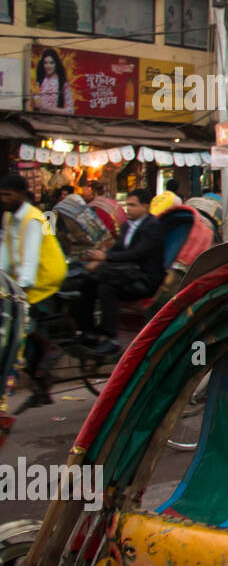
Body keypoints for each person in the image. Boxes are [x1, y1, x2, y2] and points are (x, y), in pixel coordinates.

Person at [68, 189, 164, 357]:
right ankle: (87, 330)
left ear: (145, 206)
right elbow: (117, 248)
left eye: (133, 205)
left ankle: (110, 338)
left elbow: (138, 253)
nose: (128, 209)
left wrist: (106, 256)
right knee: (87, 281)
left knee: (107, 288)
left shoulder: (153, 226)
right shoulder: (127, 226)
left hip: (144, 278)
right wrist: (99, 260)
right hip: (124, 274)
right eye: (127, 205)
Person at [0, 175, 68, 408]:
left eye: (8, 194)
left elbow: (29, 260)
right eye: (2, 194)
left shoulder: (33, 219)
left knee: (25, 327)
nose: (4, 199)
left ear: (21, 194)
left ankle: (44, 366)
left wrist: (19, 291)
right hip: (24, 280)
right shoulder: (10, 217)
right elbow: (6, 255)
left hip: (44, 278)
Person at [31, 48, 74, 113]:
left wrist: (49, 109)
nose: (48, 66)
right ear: (42, 65)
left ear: (56, 64)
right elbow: (36, 104)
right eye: (45, 63)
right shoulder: (38, 83)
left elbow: (70, 110)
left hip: (57, 121)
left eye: (51, 63)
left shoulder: (63, 84)